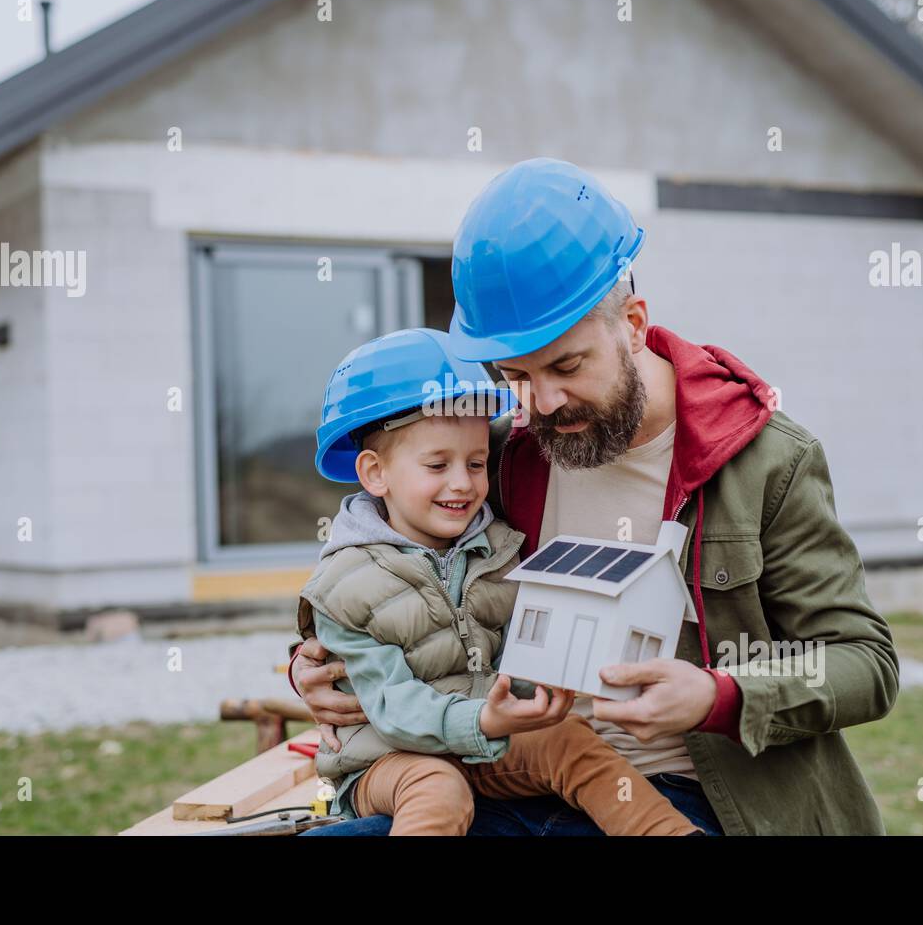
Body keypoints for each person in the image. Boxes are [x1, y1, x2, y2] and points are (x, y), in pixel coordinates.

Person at [295, 158, 899, 836]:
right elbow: (392, 567)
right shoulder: (500, 452)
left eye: (567, 366)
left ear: (634, 323)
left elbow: (864, 664)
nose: (543, 402)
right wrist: (313, 663)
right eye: (517, 375)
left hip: (699, 798)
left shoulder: (766, 462)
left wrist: (718, 695)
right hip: (514, 774)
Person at [299, 327, 701, 835]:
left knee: (571, 742)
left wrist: (537, 692)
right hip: (389, 757)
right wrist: (482, 723)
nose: (462, 483)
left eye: (475, 463)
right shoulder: (348, 583)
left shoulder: (497, 548)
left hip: (485, 740)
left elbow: (521, 647)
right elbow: (391, 708)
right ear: (375, 474)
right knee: (436, 790)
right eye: (437, 465)